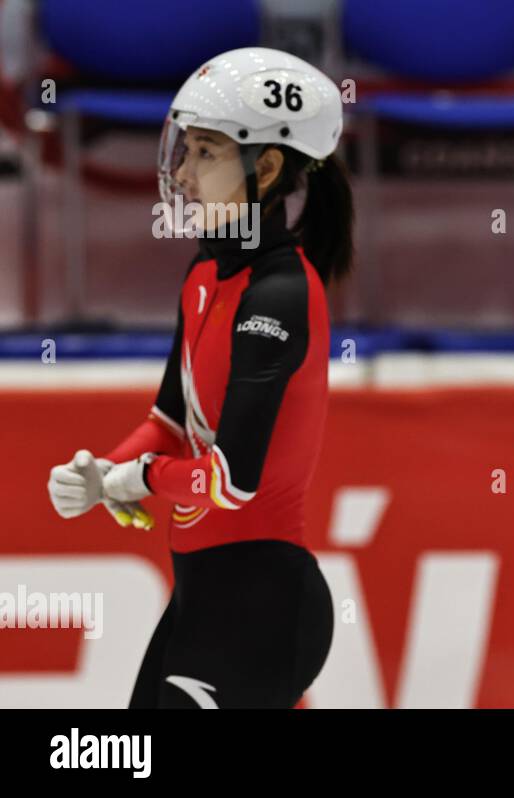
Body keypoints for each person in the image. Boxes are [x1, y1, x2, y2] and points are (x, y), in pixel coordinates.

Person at [45, 46, 350, 708]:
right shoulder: (205, 275)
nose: (181, 172)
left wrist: (141, 479)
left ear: (265, 167)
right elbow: (168, 423)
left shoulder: (279, 294)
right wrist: (104, 473)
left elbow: (231, 481)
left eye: (204, 152)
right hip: (203, 598)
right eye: (183, 149)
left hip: (265, 607)